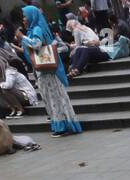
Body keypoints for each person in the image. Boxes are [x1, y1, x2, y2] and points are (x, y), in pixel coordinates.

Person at [22, 4, 84, 135]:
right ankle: (61, 125)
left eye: (25, 16)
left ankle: (63, 126)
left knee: (54, 99)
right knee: (52, 99)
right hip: (43, 72)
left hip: (47, 72)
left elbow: (37, 45)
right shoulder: (34, 30)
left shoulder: (37, 29)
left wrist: (22, 37)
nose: (24, 19)